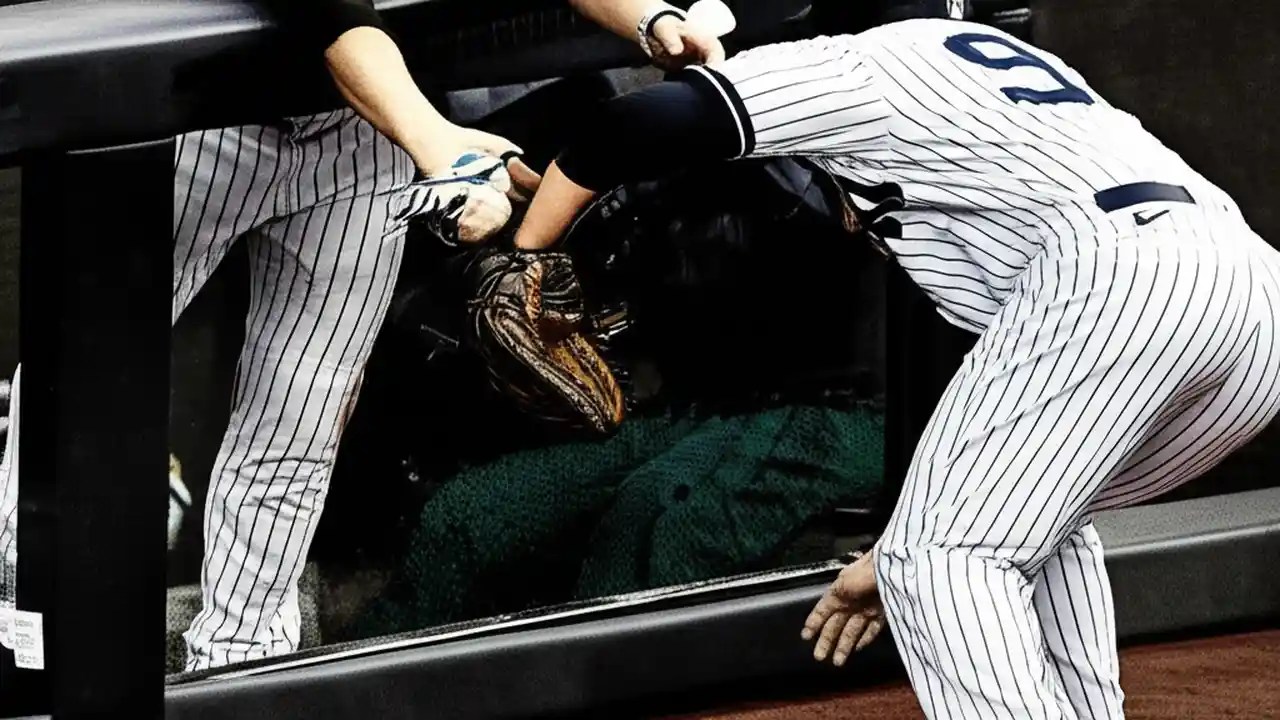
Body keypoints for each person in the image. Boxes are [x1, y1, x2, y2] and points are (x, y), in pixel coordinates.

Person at [508, 17, 1280, 719]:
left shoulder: (854, 60)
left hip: (1121, 274)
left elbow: (640, 122)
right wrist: (905, 537)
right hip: (1247, 300)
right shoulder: (996, 71)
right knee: (1032, 525)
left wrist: (526, 256)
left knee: (943, 561)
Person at [0, 0, 723, 670]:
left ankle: (243, 654)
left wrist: (648, 17)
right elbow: (327, 10)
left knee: (302, 416)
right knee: (80, 396)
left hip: (359, 138)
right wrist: (437, 143)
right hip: (196, 120)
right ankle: (24, 640)